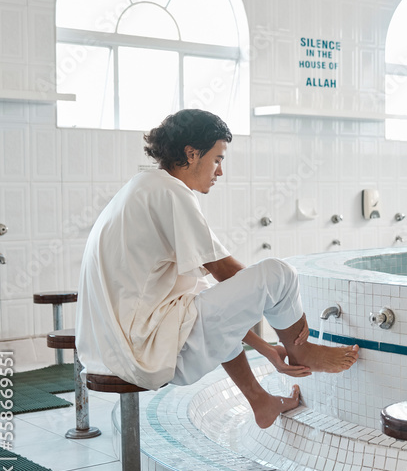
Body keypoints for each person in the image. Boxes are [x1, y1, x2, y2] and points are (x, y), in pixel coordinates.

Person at [77, 109, 358, 428]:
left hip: (112, 350)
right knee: (278, 273)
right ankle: (302, 351)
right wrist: (294, 323)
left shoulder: (142, 187)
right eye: (217, 159)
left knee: (208, 298)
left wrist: (267, 348)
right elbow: (227, 272)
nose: (220, 171)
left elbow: (219, 298)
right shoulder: (169, 191)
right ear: (191, 153)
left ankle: (261, 401)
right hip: (143, 352)